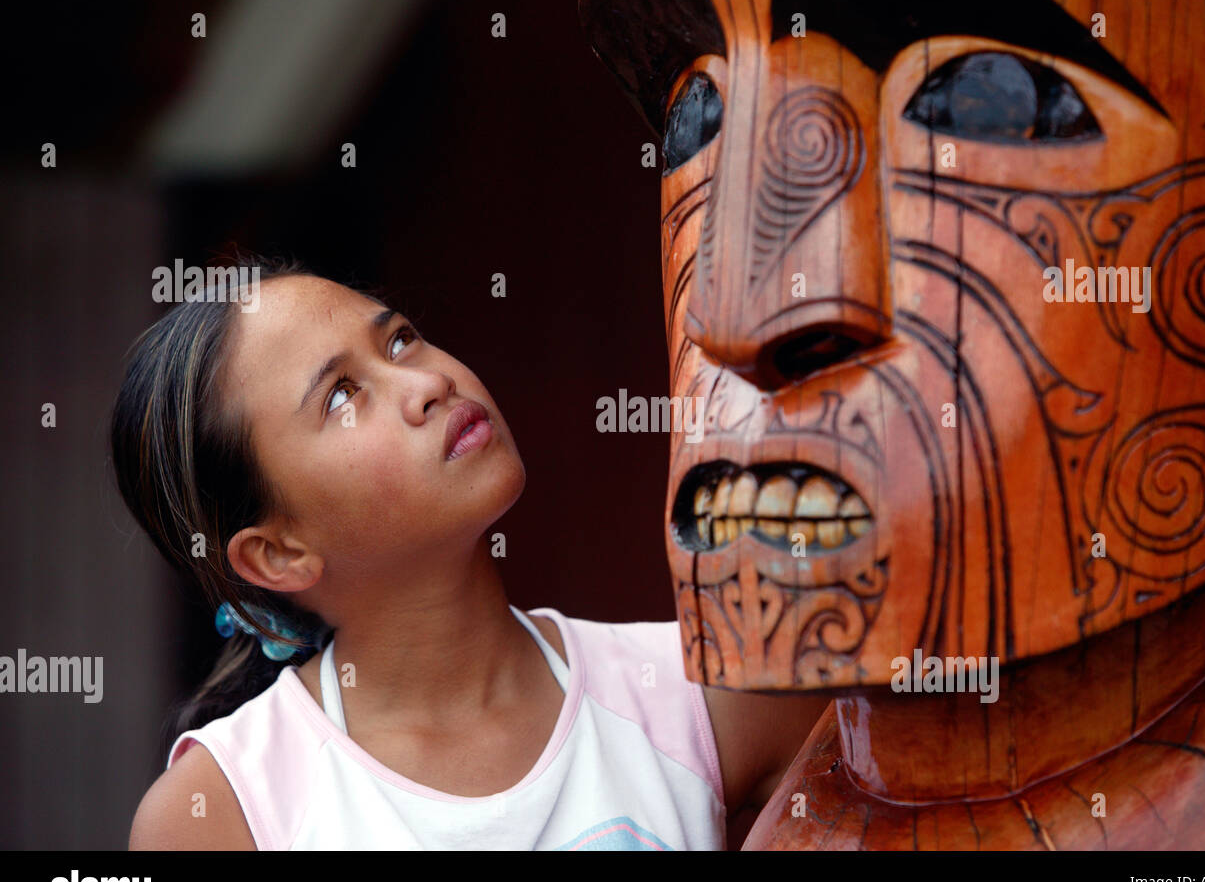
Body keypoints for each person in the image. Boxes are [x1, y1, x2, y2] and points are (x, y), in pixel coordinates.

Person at [114, 258, 828, 850]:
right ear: (279, 554)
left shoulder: (700, 697)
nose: (428, 384)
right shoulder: (225, 810)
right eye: (340, 397)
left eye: (399, 341)